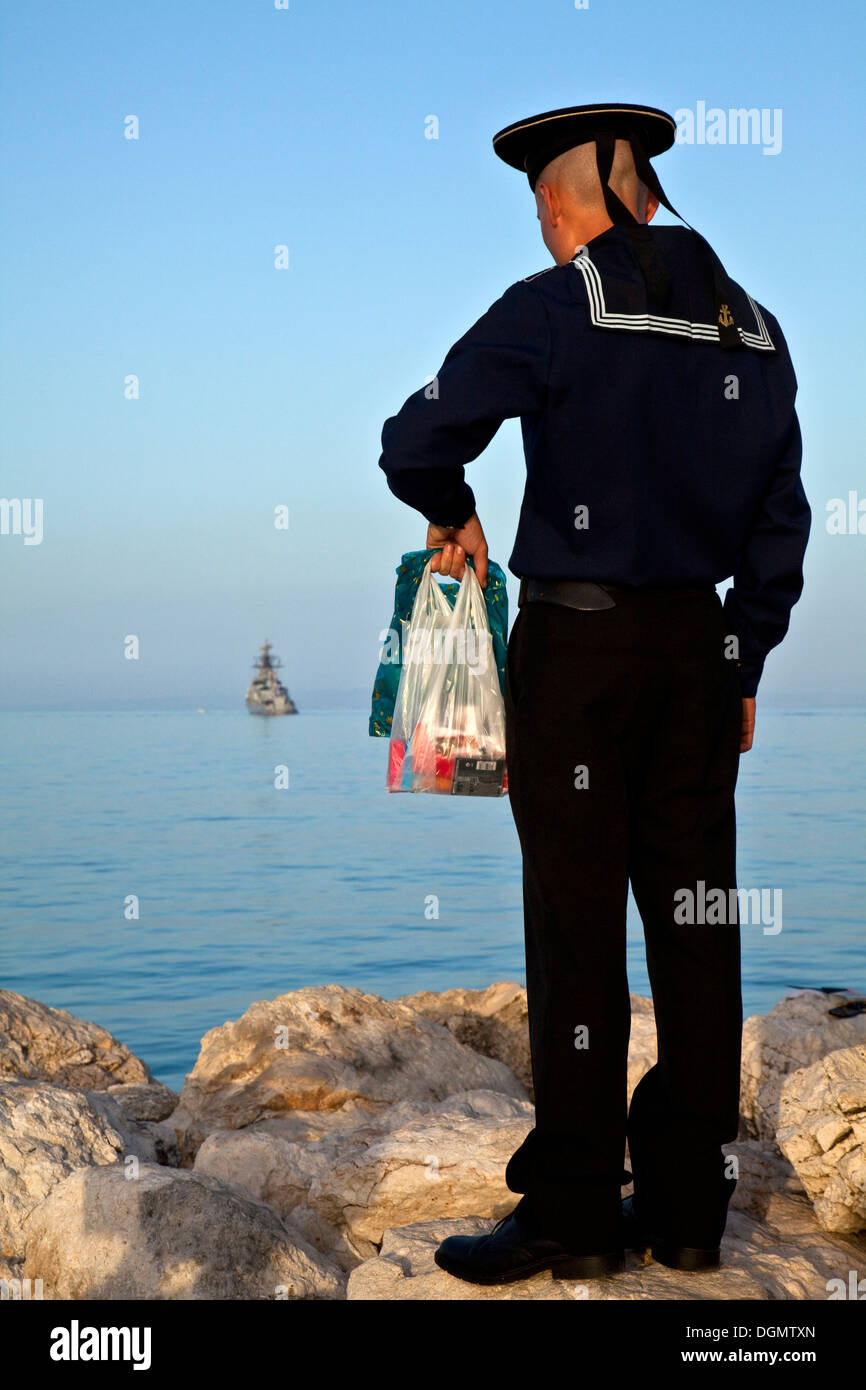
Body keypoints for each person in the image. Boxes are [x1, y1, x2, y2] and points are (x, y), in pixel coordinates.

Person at [377, 102, 811, 1284]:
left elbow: (414, 435)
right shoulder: (756, 332)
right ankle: (682, 1212)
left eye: (541, 207)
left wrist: (451, 510)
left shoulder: (554, 304)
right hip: (696, 654)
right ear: (648, 192)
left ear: (570, 206)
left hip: (575, 649)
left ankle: (571, 1212)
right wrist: (742, 655)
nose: (544, 229)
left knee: (577, 935)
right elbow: (781, 522)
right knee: (698, 927)